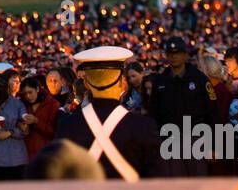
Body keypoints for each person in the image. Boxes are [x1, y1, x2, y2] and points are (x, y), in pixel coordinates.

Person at [56, 46, 162, 180]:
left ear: (87, 83)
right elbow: (156, 182)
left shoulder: (67, 126)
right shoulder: (144, 126)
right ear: (122, 81)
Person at [146, 37, 215, 177]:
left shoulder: (200, 79)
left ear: (185, 55)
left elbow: (213, 113)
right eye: (170, 53)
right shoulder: (160, 81)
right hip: (170, 140)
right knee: (176, 187)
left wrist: (214, 146)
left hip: (197, 139)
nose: (174, 57)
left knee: (199, 185)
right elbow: (153, 115)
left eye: (177, 53)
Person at [19, 74, 59, 161]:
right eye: (25, 94)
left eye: (30, 92)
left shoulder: (52, 104)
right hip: (25, 153)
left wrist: (36, 121)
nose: (28, 96)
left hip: (46, 153)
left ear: (37, 89)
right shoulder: (21, 104)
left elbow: (53, 130)